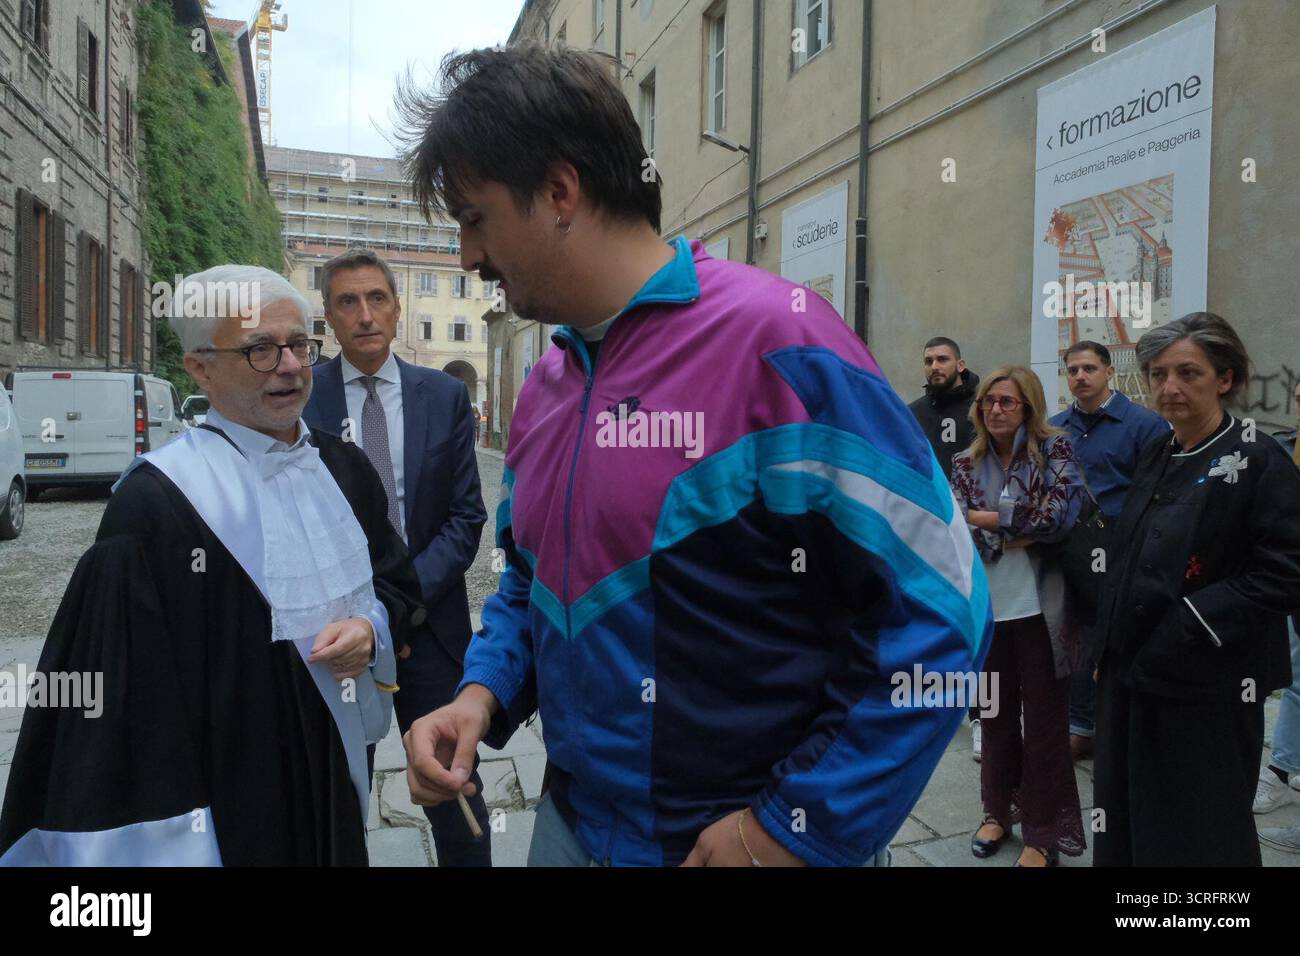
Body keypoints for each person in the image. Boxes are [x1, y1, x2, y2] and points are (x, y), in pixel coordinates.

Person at [395, 43, 993, 867]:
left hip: (732, 839)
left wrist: (797, 826)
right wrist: (480, 692)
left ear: (560, 193)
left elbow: (947, 601)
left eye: (474, 218)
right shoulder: (545, 385)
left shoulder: (781, 342)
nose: (468, 255)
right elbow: (532, 577)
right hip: (568, 826)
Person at [0, 266, 423, 865]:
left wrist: (371, 628)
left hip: (340, 773)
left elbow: (397, 584)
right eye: (259, 350)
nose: (290, 366)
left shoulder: (346, 469)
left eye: (300, 344)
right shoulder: (155, 505)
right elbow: (124, 713)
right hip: (231, 806)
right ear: (199, 366)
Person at [1092, 313, 1300, 866]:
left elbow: (1285, 570)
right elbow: (1127, 552)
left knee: (1199, 825)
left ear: (1225, 379)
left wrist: (1190, 623)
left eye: (1189, 373)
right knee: (1130, 811)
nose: (1170, 388)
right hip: (1131, 671)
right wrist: (1103, 645)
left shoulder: (1258, 458)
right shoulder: (1157, 452)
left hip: (1209, 682)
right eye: (1159, 375)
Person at [304, 249, 490, 866]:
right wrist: (367, 613)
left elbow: (467, 519)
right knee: (333, 793)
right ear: (328, 315)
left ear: (397, 307)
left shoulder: (443, 396)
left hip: (430, 628)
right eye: (347, 302)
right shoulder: (301, 402)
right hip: (336, 639)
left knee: (453, 789)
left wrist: (400, 604)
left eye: (377, 298)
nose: (364, 314)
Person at [951, 366, 1087, 867]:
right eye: (989, 401)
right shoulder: (966, 461)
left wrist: (988, 519)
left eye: (1007, 401)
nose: (996, 410)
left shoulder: (1056, 451)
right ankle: (995, 813)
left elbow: (1057, 520)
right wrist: (1016, 525)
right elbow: (959, 529)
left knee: (1047, 725)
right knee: (994, 717)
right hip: (989, 610)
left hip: (1042, 609)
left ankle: (1042, 833)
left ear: (1028, 406)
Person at [1048, 341, 1168, 760]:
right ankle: (1081, 724)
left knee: (1119, 633)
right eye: (1073, 370)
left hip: (1123, 546)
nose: (1080, 376)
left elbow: (1157, 492)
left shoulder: (1144, 425)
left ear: (1109, 372)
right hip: (1069, 549)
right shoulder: (1055, 427)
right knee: (1075, 634)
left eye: (1089, 368)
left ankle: (1124, 723)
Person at [908, 337, 984, 760]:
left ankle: (981, 717)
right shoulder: (914, 414)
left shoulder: (985, 406)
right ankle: (932, 712)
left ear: (960, 362)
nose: (934, 366)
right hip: (928, 537)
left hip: (980, 537)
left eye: (942, 359)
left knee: (976, 627)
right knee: (932, 626)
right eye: (928, 360)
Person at [1254, 379, 1300, 850]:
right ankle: (1283, 770)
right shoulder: (1283, 448)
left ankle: (1281, 771)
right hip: (1292, 585)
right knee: (1296, 679)